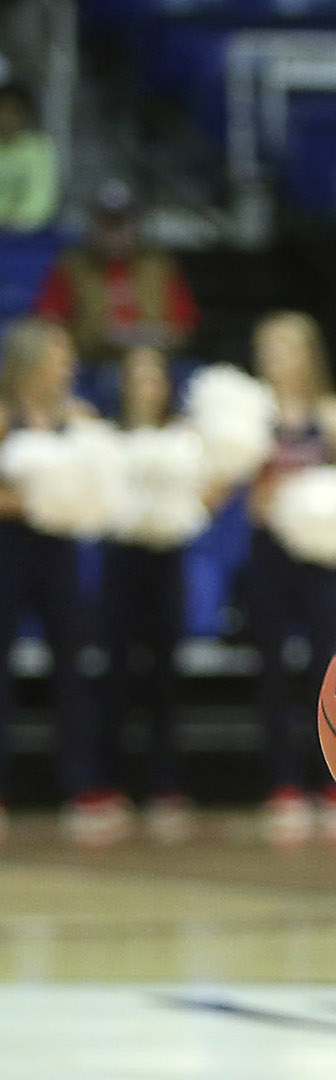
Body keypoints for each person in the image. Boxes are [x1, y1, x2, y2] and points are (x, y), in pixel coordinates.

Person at [247, 311, 336, 847]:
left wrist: (332, 500)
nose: (272, 358)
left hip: (324, 557)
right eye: (266, 348)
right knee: (273, 663)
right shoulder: (252, 419)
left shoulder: (333, 417)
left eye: (282, 347)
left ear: (308, 354)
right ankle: (283, 781)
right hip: (271, 553)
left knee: (332, 667)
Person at [0, 318, 124, 844]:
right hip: (8, 549)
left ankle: (82, 785)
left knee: (73, 665)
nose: (69, 365)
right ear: (29, 361)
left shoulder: (82, 419)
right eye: (59, 355)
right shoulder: (5, 418)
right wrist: (29, 502)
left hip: (61, 553)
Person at [100, 346, 200, 844]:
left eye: (153, 377)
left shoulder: (184, 436)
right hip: (120, 559)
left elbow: (208, 490)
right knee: (116, 671)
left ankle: (165, 783)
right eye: (136, 377)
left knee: (163, 674)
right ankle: (109, 783)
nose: (146, 386)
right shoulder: (104, 434)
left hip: (166, 559)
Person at [33, 181, 198, 363]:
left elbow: (184, 326)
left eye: (120, 224)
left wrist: (154, 336)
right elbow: (48, 325)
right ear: (92, 225)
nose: (114, 233)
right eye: (106, 224)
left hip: (155, 362)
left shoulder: (159, 266)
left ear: (137, 225)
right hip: (92, 363)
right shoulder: (72, 266)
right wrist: (95, 338)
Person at [0, 81, 57, 233]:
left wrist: (18, 222)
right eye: (2, 110)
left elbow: (40, 198)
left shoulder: (38, 148)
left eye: (13, 111)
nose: (6, 117)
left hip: (25, 236)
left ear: (25, 114)